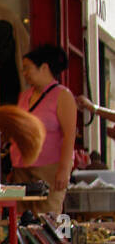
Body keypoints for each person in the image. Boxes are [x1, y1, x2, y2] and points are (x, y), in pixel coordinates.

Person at [11, 43, 76, 214]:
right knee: (19, 218)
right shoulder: (25, 96)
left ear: (44, 68)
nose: (24, 74)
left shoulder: (62, 95)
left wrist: (64, 169)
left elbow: (70, 135)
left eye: (28, 69)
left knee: (47, 217)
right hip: (21, 166)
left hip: (49, 168)